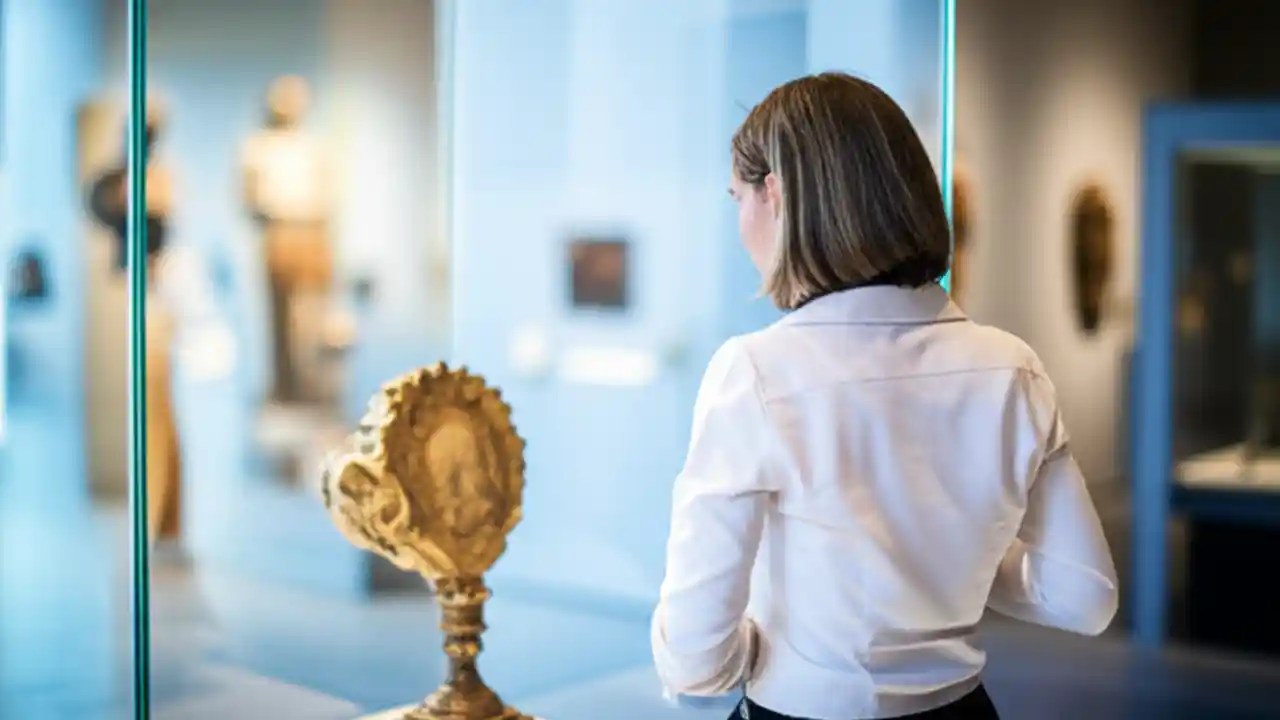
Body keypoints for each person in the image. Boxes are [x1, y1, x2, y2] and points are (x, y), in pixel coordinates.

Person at [651, 73, 1117, 720]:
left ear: (776, 195)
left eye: (738, 198)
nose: (739, 226)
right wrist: (949, 557)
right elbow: (1085, 597)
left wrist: (753, 655)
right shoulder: (1014, 369)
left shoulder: (754, 374)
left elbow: (695, 662)